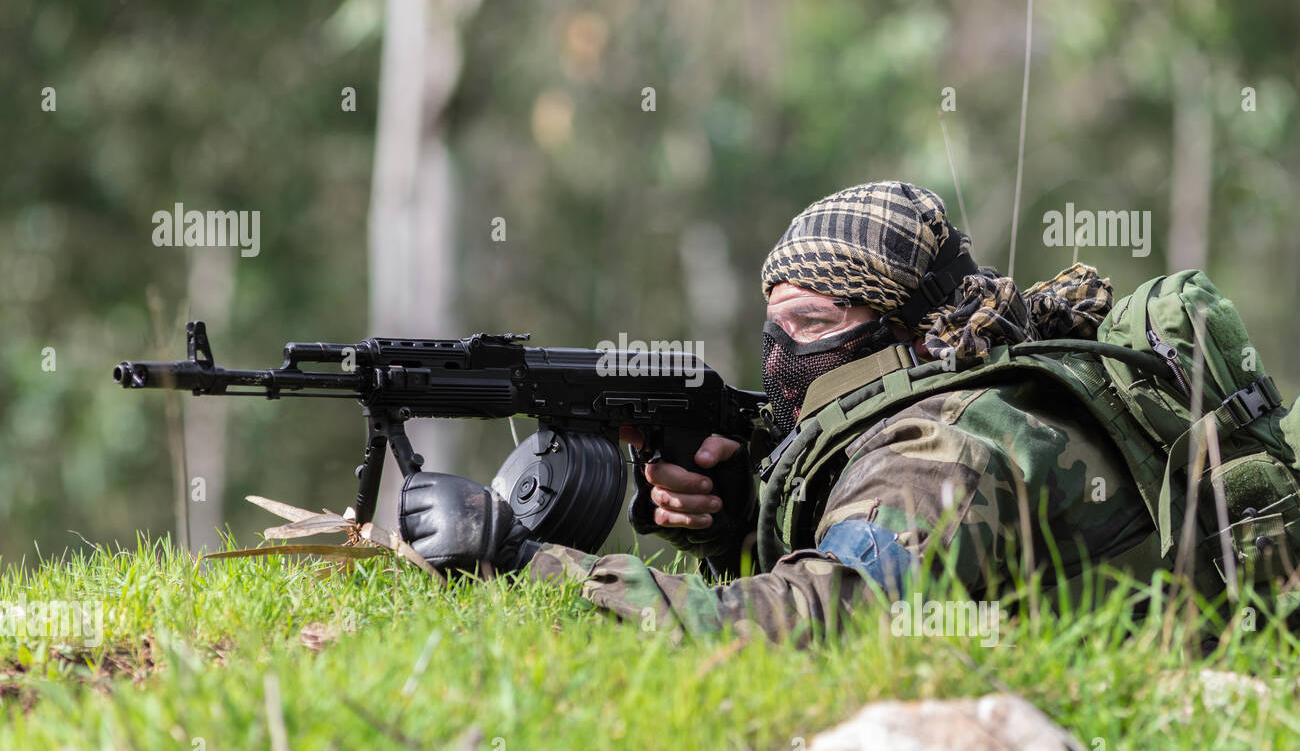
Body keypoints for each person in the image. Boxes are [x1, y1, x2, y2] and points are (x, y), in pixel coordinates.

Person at [398, 180, 1157, 643]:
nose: (780, 356)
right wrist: (738, 530)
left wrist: (529, 565)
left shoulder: (938, 450)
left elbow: (822, 626)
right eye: (774, 326)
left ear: (913, 332)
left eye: (814, 326)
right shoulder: (949, 404)